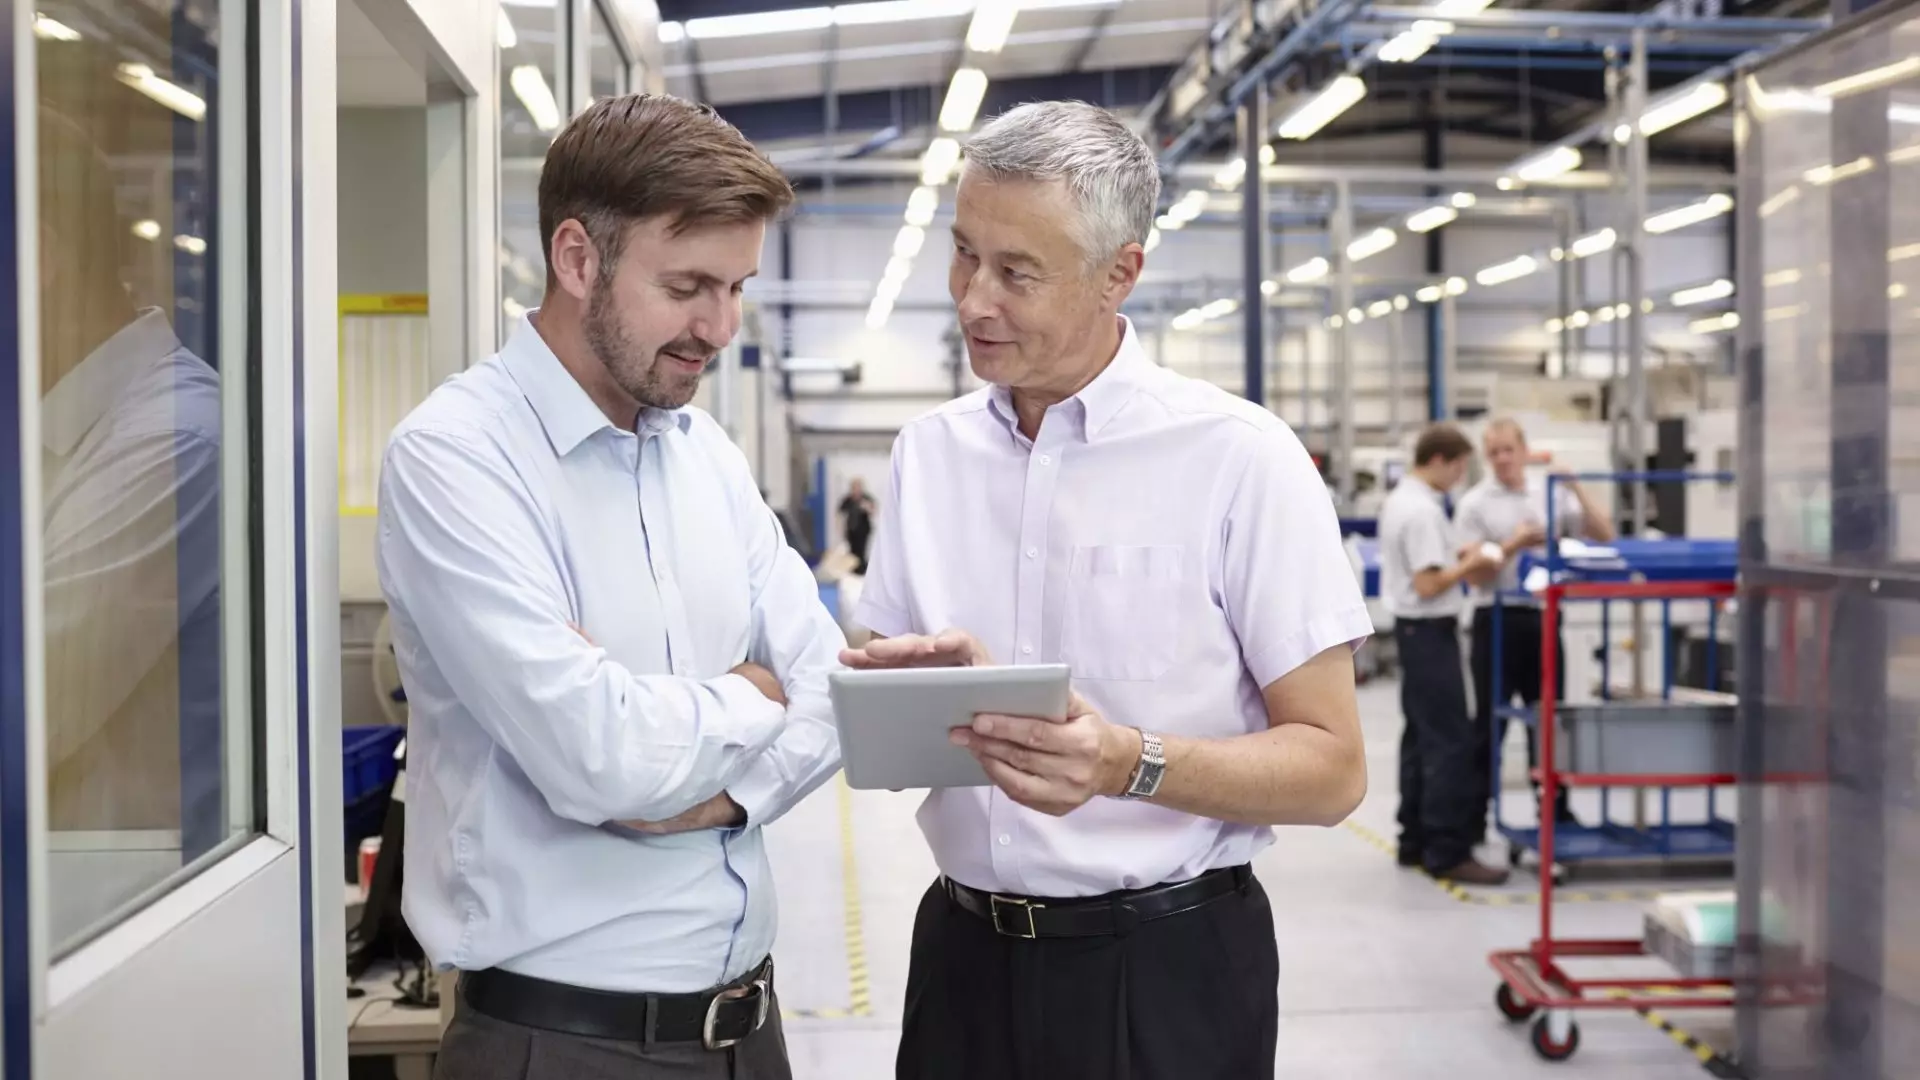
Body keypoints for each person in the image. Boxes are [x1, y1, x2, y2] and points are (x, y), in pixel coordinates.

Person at [840, 101, 1373, 1080]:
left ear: (1119, 273)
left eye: (1017, 274)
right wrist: (913, 696)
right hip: (963, 960)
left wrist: (1126, 762)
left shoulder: (1239, 461)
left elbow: (1334, 769)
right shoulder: (930, 454)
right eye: (963, 255)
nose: (972, 301)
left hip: (1165, 970)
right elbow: (886, 719)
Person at [377, 95, 845, 1080]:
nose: (719, 326)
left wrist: (718, 793)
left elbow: (831, 693)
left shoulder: (706, 454)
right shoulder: (457, 459)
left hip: (749, 1039)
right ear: (579, 259)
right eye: (688, 286)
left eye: (737, 287)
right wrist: (753, 694)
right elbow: (600, 755)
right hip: (562, 1046)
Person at [1454, 417, 1616, 833]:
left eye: (1509, 449)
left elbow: (1604, 535)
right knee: (1489, 725)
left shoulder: (1550, 495)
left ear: (1524, 450)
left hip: (1543, 620)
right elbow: (1473, 576)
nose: (1503, 459)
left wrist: (1575, 486)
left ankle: (1555, 813)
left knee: (1548, 722)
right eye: (1494, 453)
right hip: (1496, 620)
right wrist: (1514, 546)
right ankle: (1472, 820)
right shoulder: (1475, 504)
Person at [1378, 424, 1504, 884]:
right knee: (1449, 742)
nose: (1459, 477)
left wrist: (1457, 555)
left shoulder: (1400, 501)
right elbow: (1429, 584)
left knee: (1420, 738)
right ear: (1439, 460)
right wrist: (1472, 564)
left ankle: (1413, 839)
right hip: (1433, 633)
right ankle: (1448, 850)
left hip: (1413, 635)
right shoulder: (1423, 512)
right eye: (1458, 467)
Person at [839, 477, 876, 574]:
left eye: (858, 487)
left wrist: (866, 507)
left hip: (863, 531)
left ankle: (862, 571)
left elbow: (874, 511)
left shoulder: (866, 499)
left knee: (862, 552)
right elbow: (840, 513)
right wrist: (839, 529)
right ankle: (853, 571)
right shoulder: (848, 500)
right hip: (851, 530)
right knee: (852, 552)